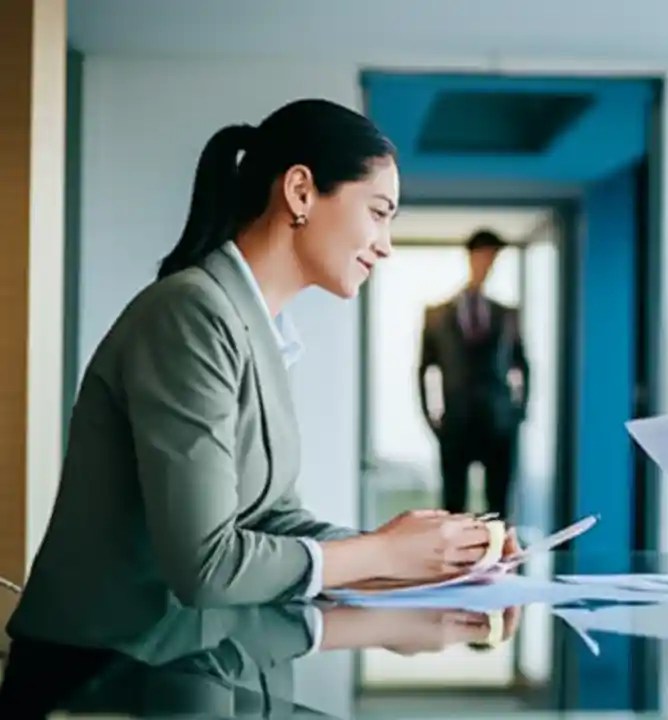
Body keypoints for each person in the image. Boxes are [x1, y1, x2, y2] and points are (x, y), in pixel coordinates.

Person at [7, 99, 502, 654]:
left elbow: (274, 521)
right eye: (379, 211)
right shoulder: (190, 314)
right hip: (96, 679)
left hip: (183, 665)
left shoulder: (260, 329)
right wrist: (383, 554)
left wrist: (425, 562)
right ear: (300, 192)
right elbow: (206, 565)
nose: (385, 244)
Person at [418, 229, 530, 517]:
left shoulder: (507, 314)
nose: (488, 263)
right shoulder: (437, 314)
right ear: (471, 257)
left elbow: (523, 365)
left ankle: (503, 562)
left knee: (500, 507)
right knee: (454, 507)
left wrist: (518, 413)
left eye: (493, 258)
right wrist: (430, 417)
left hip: (499, 422)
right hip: (456, 422)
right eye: (485, 256)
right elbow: (424, 369)